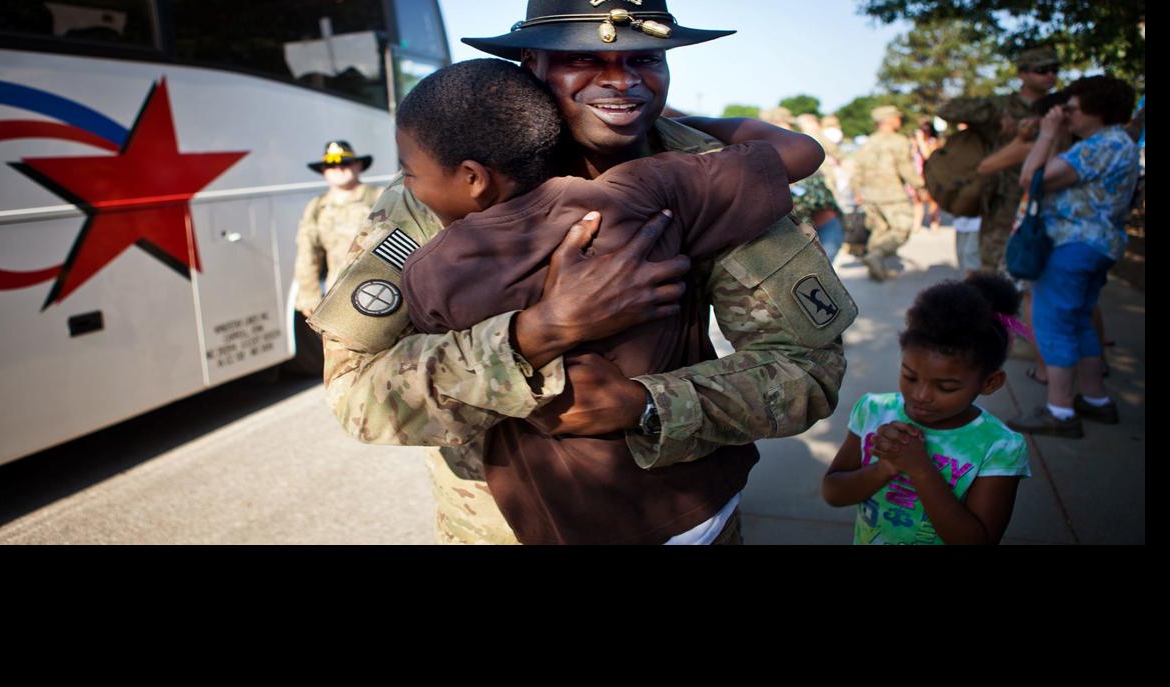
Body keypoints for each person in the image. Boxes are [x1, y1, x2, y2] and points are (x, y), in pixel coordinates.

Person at [307, 0, 855, 544]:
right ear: (533, 63)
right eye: (584, 59)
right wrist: (530, 337)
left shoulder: (706, 176)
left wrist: (645, 406)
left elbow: (808, 371)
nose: (621, 81)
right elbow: (358, 395)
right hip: (494, 529)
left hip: (682, 520)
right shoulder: (440, 187)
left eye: (646, 60)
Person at [822, 272, 1029, 545]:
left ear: (990, 382)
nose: (920, 395)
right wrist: (884, 468)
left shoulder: (999, 446)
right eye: (910, 376)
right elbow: (833, 492)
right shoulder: (874, 410)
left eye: (946, 387)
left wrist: (919, 469)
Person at [1005, 76, 1139, 439]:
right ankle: (1095, 400)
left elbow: (1031, 178)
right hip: (1100, 244)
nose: (1068, 115)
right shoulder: (1120, 143)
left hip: (1071, 246)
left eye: (1074, 109)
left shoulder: (1098, 146)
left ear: (1097, 109)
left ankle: (1060, 410)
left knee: (1054, 324)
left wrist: (1048, 133)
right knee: (1080, 320)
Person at [936, 46, 1059, 273]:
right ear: (1022, 74)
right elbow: (946, 109)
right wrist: (994, 117)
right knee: (994, 270)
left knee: (1047, 270)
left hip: (1052, 197)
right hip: (1004, 200)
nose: (1050, 75)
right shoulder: (1002, 106)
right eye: (1042, 70)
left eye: (1054, 69)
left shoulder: (1061, 107)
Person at [289, 140, 382, 375]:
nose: (338, 168)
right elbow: (307, 253)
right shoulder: (317, 207)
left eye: (345, 162)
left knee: (386, 364)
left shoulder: (380, 197)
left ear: (359, 165)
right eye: (331, 165)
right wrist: (309, 295)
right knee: (344, 368)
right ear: (323, 171)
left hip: (381, 291)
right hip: (337, 298)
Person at [850, 104, 922, 282]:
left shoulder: (868, 142)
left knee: (879, 230)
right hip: (893, 195)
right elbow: (906, 169)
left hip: (870, 196)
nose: (900, 120)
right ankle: (877, 256)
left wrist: (857, 191)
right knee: (901, 229)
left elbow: (856, 170)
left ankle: (877, 269)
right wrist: (922, 185)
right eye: (897, 117)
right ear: (889, 120)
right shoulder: (898, 141)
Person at [762, 107, 842, 263]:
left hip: (805, 200)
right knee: (826, 243)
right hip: (807, 199)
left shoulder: (754, 141)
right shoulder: (786, 136)